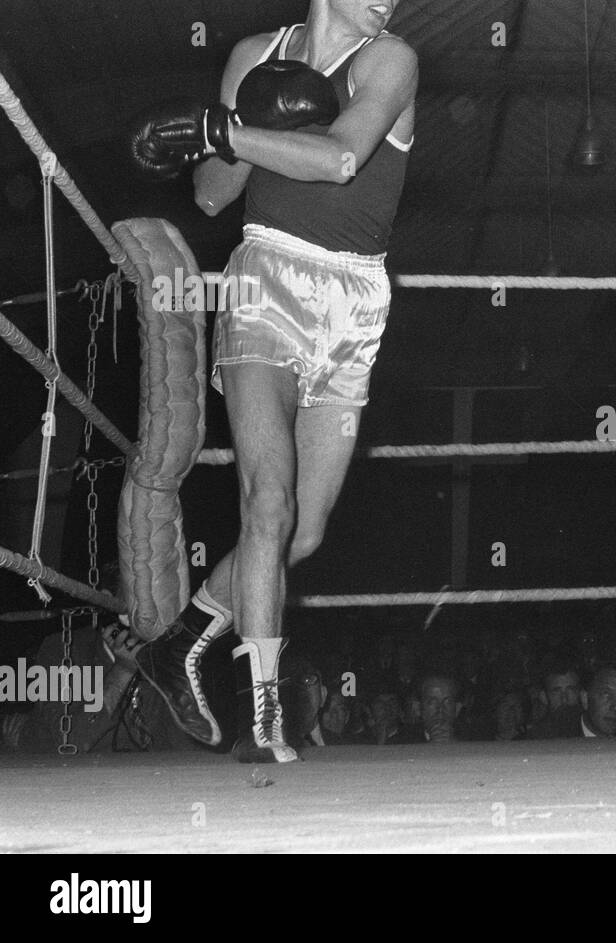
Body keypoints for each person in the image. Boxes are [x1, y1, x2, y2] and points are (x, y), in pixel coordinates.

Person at [128, 1, 417, 763]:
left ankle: (179, 642)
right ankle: (263, 718)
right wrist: (228, 131)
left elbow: (344, 159)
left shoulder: (392, 60)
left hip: (355, 303)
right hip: (265, 284)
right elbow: (213, 193)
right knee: (267, 501)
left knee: (304, 530)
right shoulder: (256, 52)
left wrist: (227, 127)